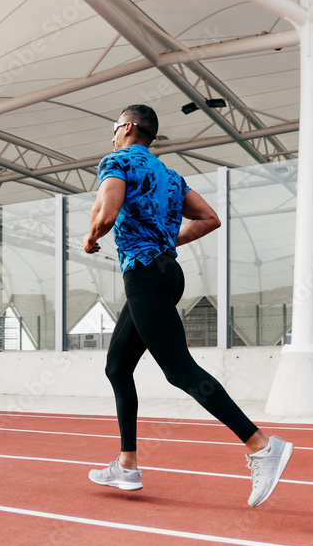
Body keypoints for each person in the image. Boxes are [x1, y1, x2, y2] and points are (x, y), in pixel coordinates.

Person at [82, 104, 293, 507]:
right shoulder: (170, 176)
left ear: (127, 127)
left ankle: (262, 446)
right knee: (117, 366)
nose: (112, 135)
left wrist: (92, 237)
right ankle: (126, 464)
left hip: (145, 275)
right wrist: (166, 242)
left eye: (114, 128)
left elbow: (107, 214)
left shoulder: (117, 161)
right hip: (166, 273)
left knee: (179, 370)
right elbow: (209, 218)